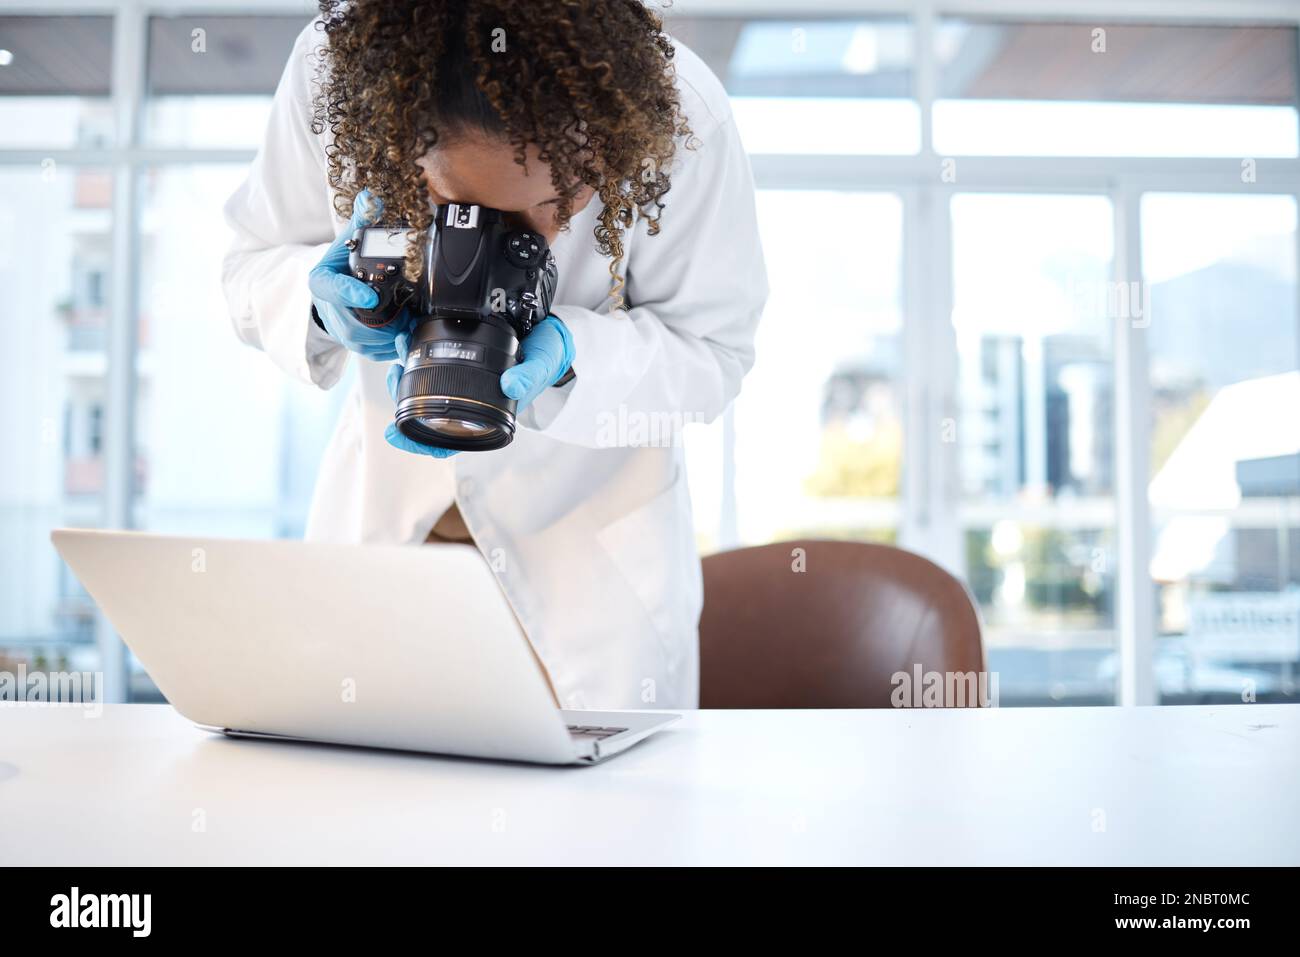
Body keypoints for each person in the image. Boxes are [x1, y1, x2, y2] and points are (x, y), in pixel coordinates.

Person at [221, 0, 767, 710]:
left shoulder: (680, 112)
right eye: (467, 209)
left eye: (562, 199)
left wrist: (577, 358)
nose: (530, 235)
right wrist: (322, 307)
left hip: (585, 578)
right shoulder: (340, 72)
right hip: (387, 538)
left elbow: (715, 348)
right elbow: (250, 264)